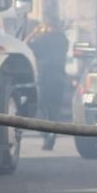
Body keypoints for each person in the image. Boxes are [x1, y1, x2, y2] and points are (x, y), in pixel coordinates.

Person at [26, 21, 69, 150]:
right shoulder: (63, 40)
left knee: (42, 108)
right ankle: (52, 135)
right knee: (55, 109)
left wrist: (34, 32)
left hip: (45, 78)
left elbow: (26, 44)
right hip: (59, 78)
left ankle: (46, 135)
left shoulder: (43, 39)